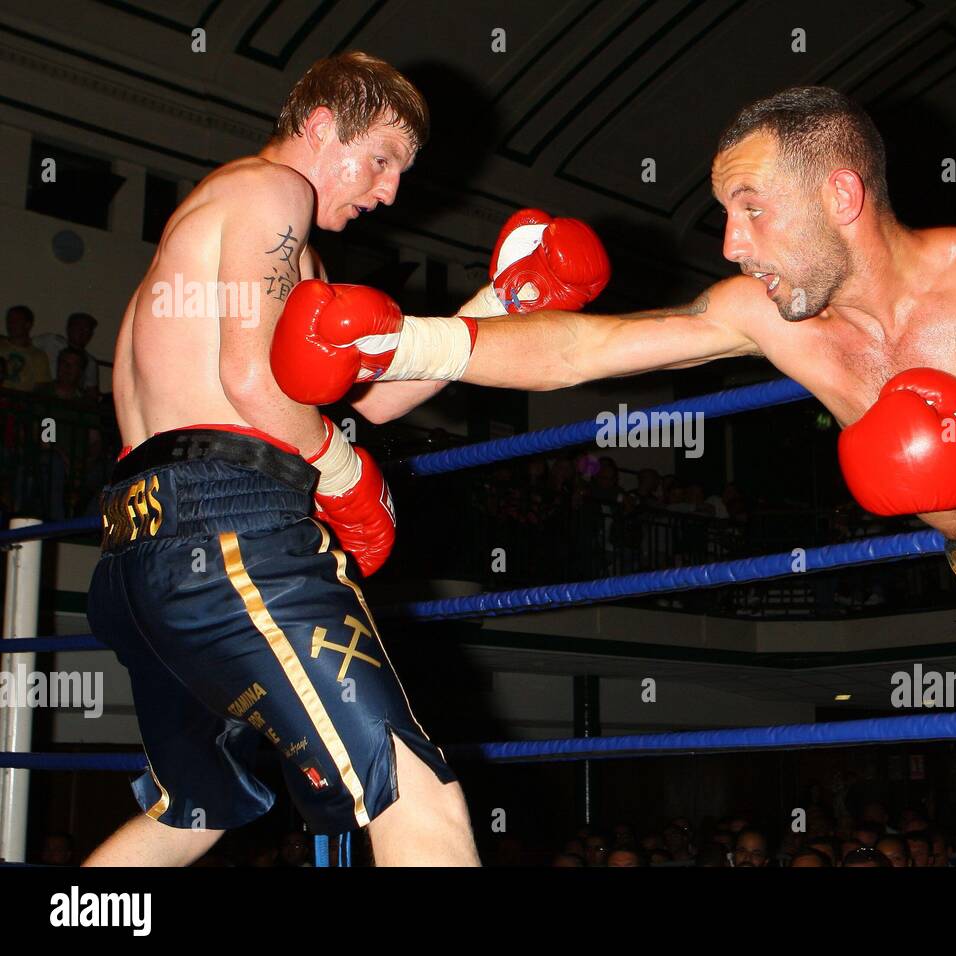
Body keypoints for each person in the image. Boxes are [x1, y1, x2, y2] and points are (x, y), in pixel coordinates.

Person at [275, 85, 956, 868]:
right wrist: (402, 341)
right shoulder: (769, 315)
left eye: (753, 208)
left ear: (841, 195)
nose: (731, 242)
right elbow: (581, 351)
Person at [83, 51, 605, 868]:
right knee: (411, 788)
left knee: (193, 812)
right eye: (382, 160)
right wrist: (342, 471)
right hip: (226, 528)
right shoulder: (270, 190)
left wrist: (501, 302)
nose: (390, 192)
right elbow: (253, 382)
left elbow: (356, 400)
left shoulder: (237, 230)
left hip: (141, 551)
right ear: (323, 126)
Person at [35, 311, 101, 398]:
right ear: (69, 328)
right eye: (78, 327)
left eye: (86, 329)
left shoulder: (91, 362)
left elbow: (91, 393)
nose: (82, 332)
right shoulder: (51, 341)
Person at [1, 305, 51, 391]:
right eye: (9, 320)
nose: (11, 324)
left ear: (28, 324)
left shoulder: (39, 356)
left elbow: (41, 388)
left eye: (16, 321)